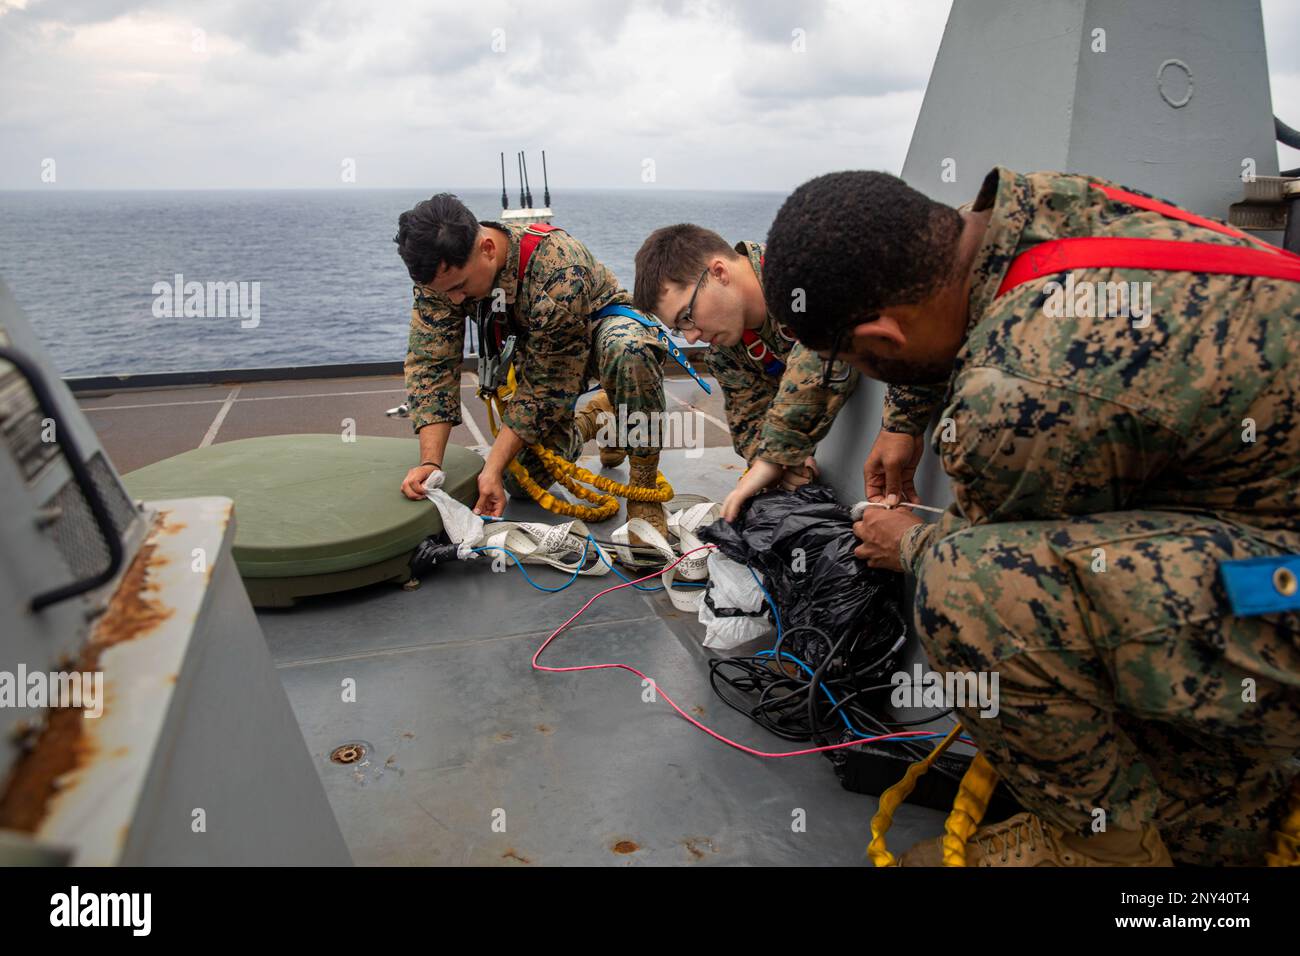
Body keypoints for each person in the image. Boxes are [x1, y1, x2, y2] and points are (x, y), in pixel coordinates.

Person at [762, 166, 1300, 866]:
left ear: (884, 339)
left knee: (972, 589)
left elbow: (1000, 563)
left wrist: (913, 545)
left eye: (867, 362)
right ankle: (1216, 816)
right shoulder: (1040, 206)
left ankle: (1098, 849)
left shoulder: (1016, 394)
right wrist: (908, 418)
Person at [394, 194, 671, 538]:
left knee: (628, 351)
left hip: (596, 334)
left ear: (488, 249)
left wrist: (490, 465)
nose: (453, 300)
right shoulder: (441, 274)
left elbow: (547, 386)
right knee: (519, 482)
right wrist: (430, 463)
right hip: (538, 350)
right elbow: (431, 365)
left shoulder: (558, 266)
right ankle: (600, 419)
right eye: (444, 292)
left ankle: (644, 490)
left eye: (460, 287)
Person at [633, 224, 857, 522]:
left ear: (719, 273)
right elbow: (749, 421)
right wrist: (786, 468)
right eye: (678, 328)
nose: (689, 337)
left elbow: (821, 349)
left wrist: (773, 458)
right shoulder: (727, 351)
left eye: (687, 316)